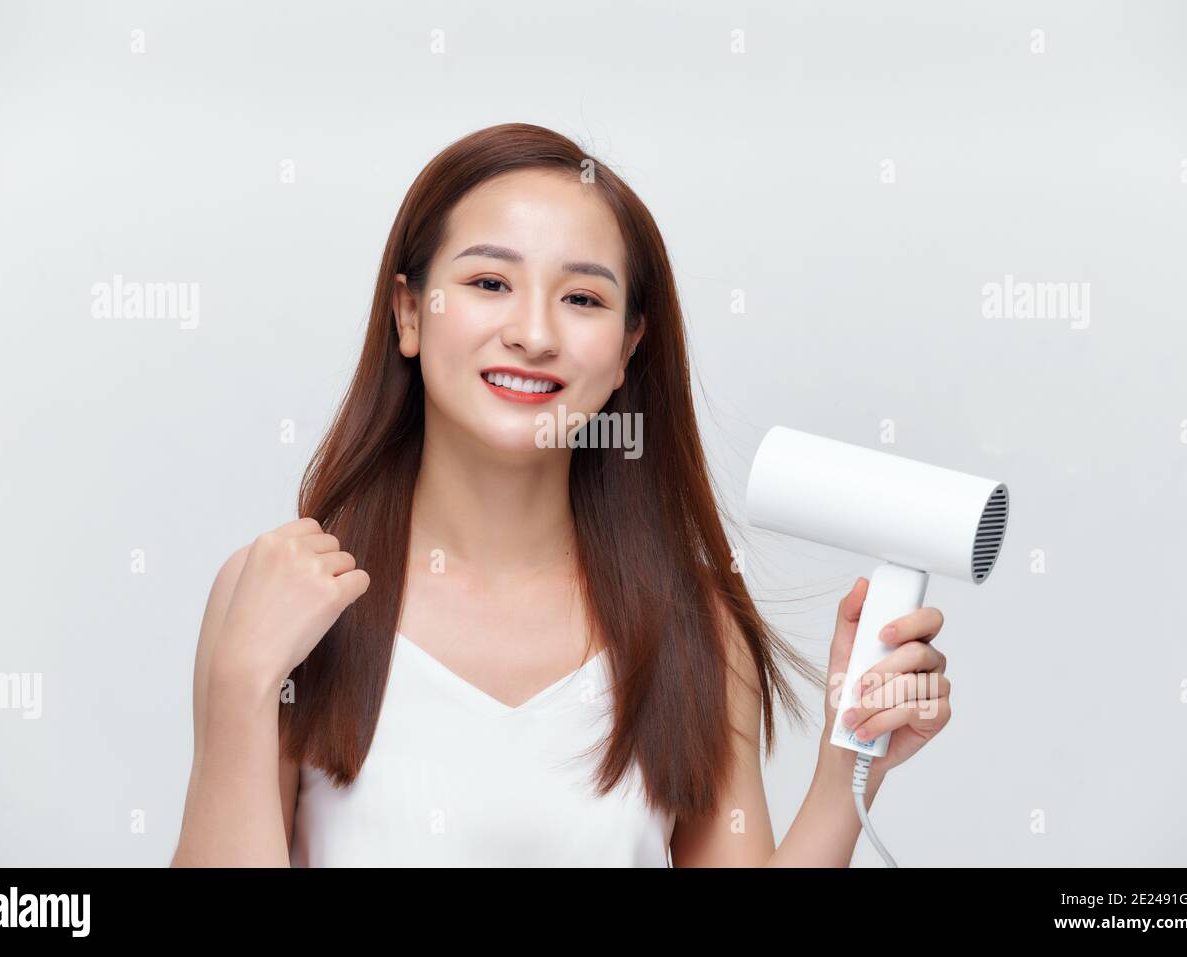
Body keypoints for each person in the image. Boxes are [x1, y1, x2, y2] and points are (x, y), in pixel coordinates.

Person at [170, 123, 951, 867]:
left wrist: (850, 766)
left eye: (582, 298)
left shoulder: (696, 630)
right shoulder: (275, 595)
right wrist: (242, 685)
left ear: (625, 350)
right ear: (410, 312)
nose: (534, 334)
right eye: (488, 282)